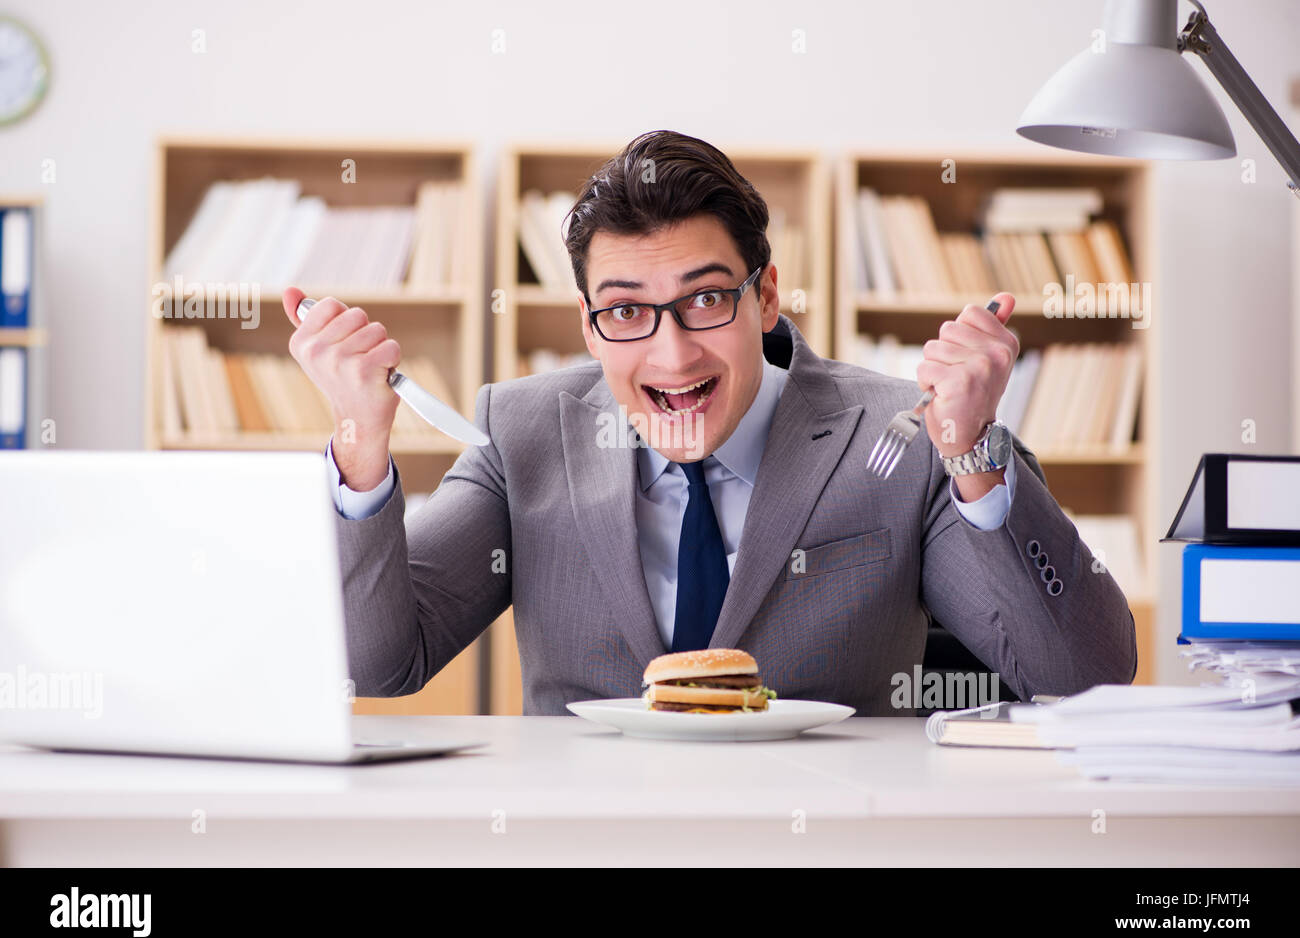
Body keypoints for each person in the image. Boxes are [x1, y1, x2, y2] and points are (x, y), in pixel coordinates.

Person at [282, 129, 1136, 715]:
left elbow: (1086, 675)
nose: (672, 355)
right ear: (587, 324)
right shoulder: (522, 432)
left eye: (704, 299)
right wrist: (360, 444)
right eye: (626, 312)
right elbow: (379, 665)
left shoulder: (903, 440)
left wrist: (976, 455)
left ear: (765, 296)